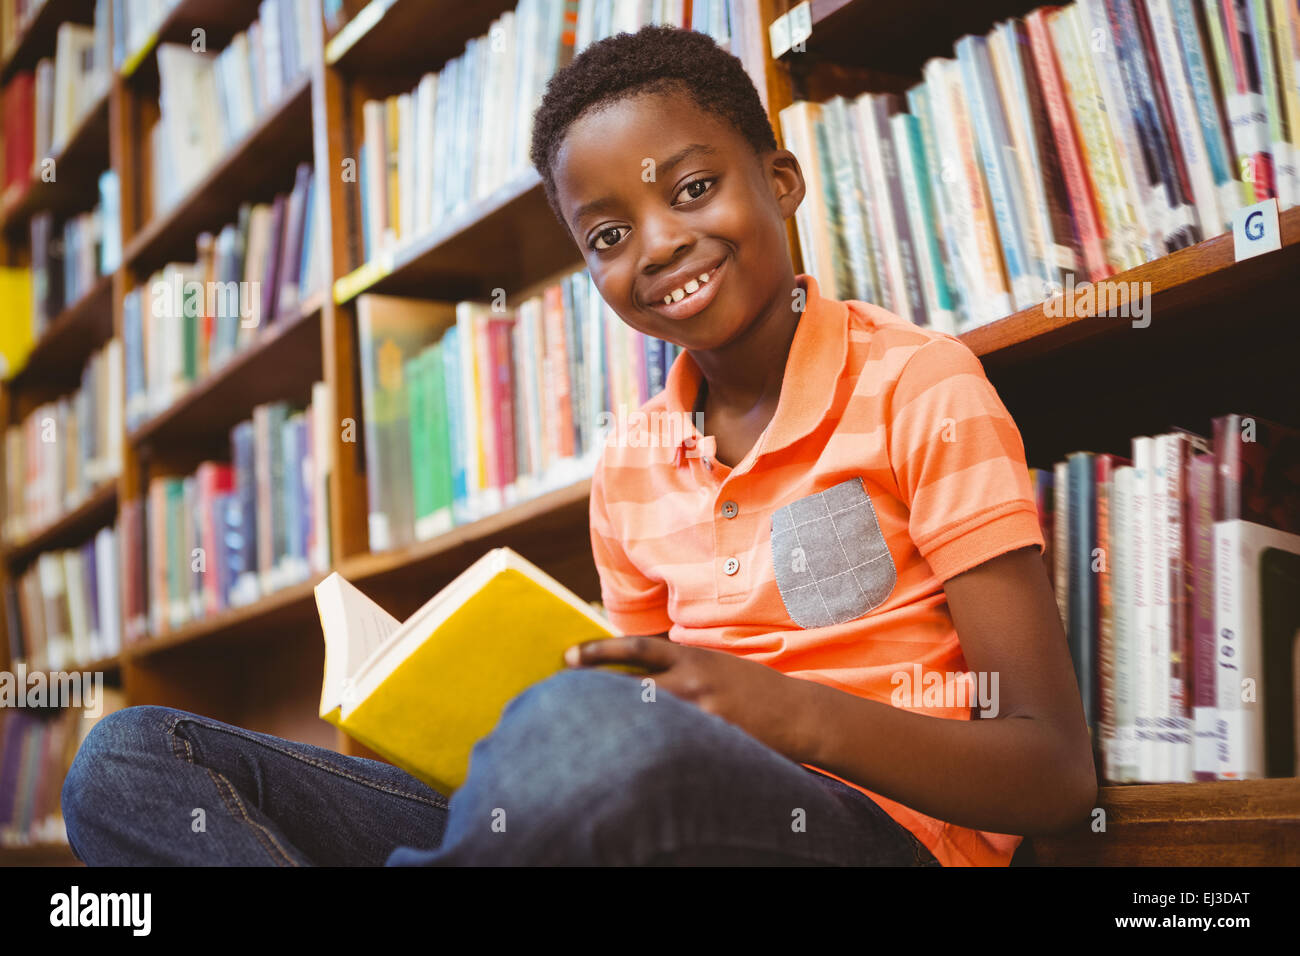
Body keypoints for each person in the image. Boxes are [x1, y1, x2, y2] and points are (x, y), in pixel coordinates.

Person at [62, 24, 1095, 866]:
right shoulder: (630, 467)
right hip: (640, 813)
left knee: (591, 730)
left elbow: (1050, 774)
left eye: (691, 189)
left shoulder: (920, 383)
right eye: (605, 235)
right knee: (134, 755)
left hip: (872, 837)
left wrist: (772, 709)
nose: (657, 246)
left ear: (780, 179)